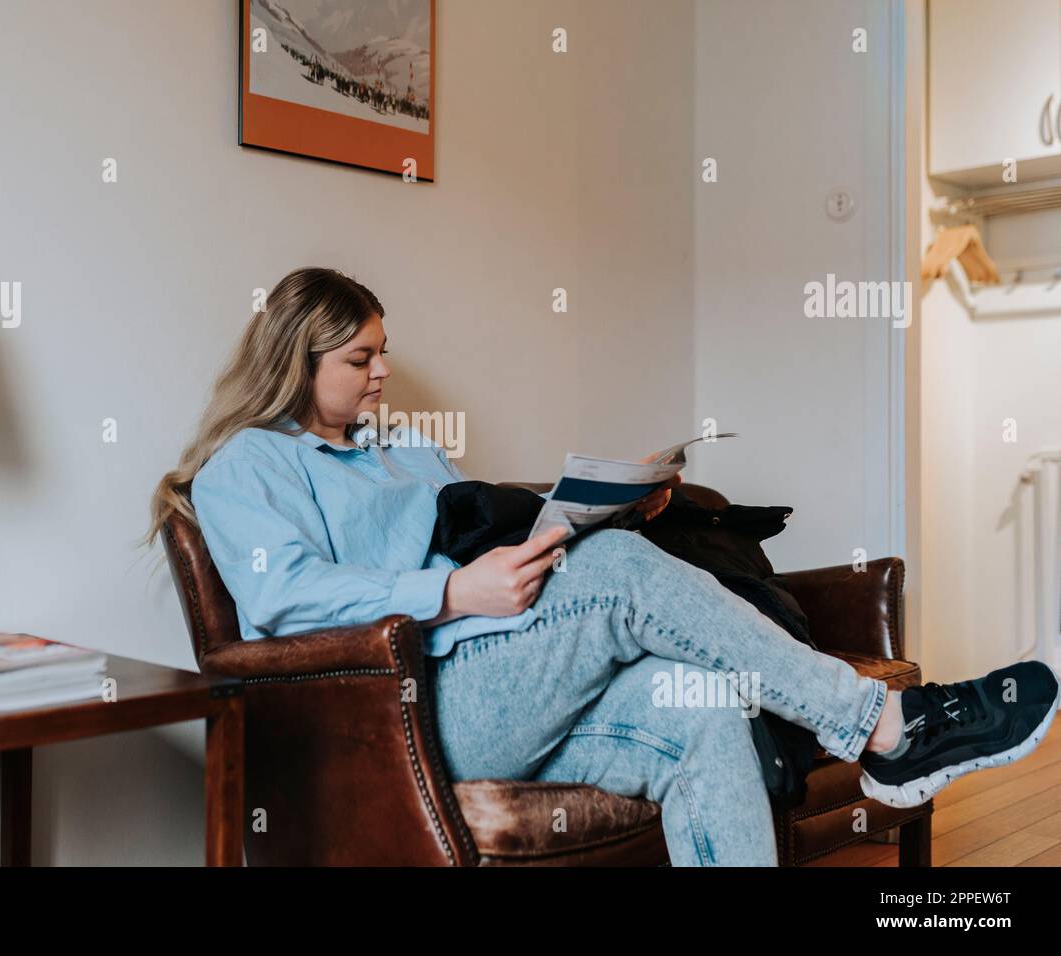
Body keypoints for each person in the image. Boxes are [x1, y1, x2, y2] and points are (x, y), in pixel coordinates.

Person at [146, 266, 1061, 866]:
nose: (382, 373)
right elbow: (281, 601)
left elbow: (472, 535)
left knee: (698, 706)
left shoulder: (404, 449)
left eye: (383, 353)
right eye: (360, 358)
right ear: (293, 361)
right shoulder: (247, 467)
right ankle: (886, 729)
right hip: (416, 706)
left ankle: (882, 731)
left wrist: (588, 518)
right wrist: (451, 588)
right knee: (620, 570)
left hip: (511, 670)